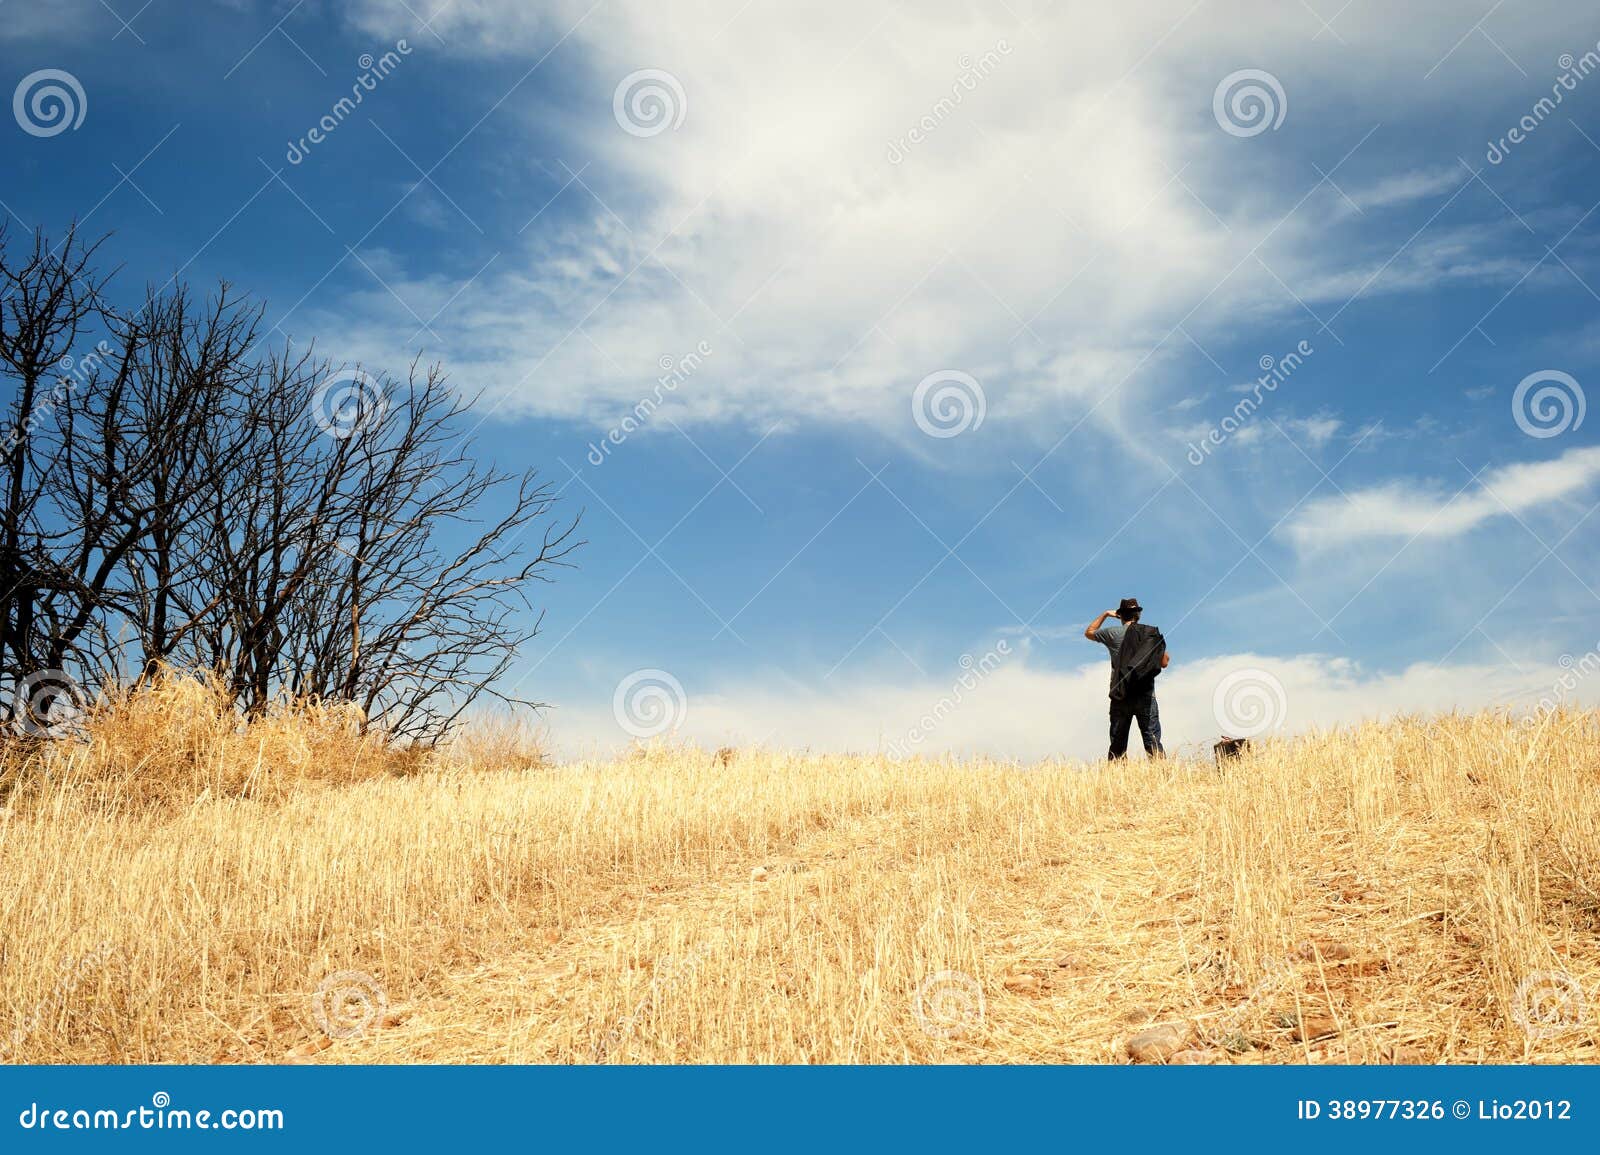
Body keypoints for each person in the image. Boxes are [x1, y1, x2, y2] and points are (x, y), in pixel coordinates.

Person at [1084, 597, 1169, 760]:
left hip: (1120, 695)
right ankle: (1162, 777)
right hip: (1145, 694)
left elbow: (1089, 632)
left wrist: (1106, 614)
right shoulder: (1150, 633)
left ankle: (1117, 780)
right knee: (1152, 740)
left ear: (1120, 615)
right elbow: (1164, 663)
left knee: (1118, 744)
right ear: (1138, 614)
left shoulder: (1112, 633)